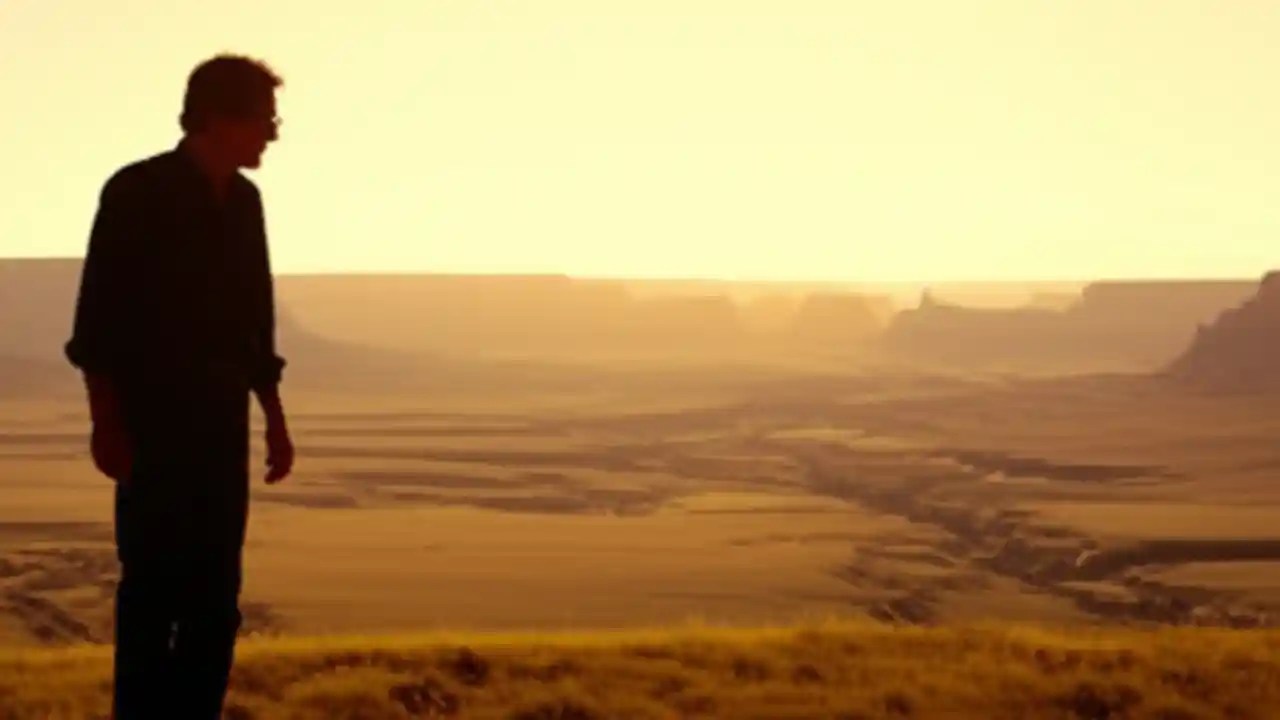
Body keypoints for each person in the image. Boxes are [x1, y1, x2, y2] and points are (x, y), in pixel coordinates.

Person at [65, 54, 295, 719]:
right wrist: (107, 422)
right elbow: (97, 318)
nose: (272, 133)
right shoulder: (136, 192)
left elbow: (256, 319)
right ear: (219, 117)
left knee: (216, 600)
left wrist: (273, 416)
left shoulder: (245, 203)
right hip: (154, 424)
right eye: (264, 118)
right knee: (152, 594)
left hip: (223, 426)